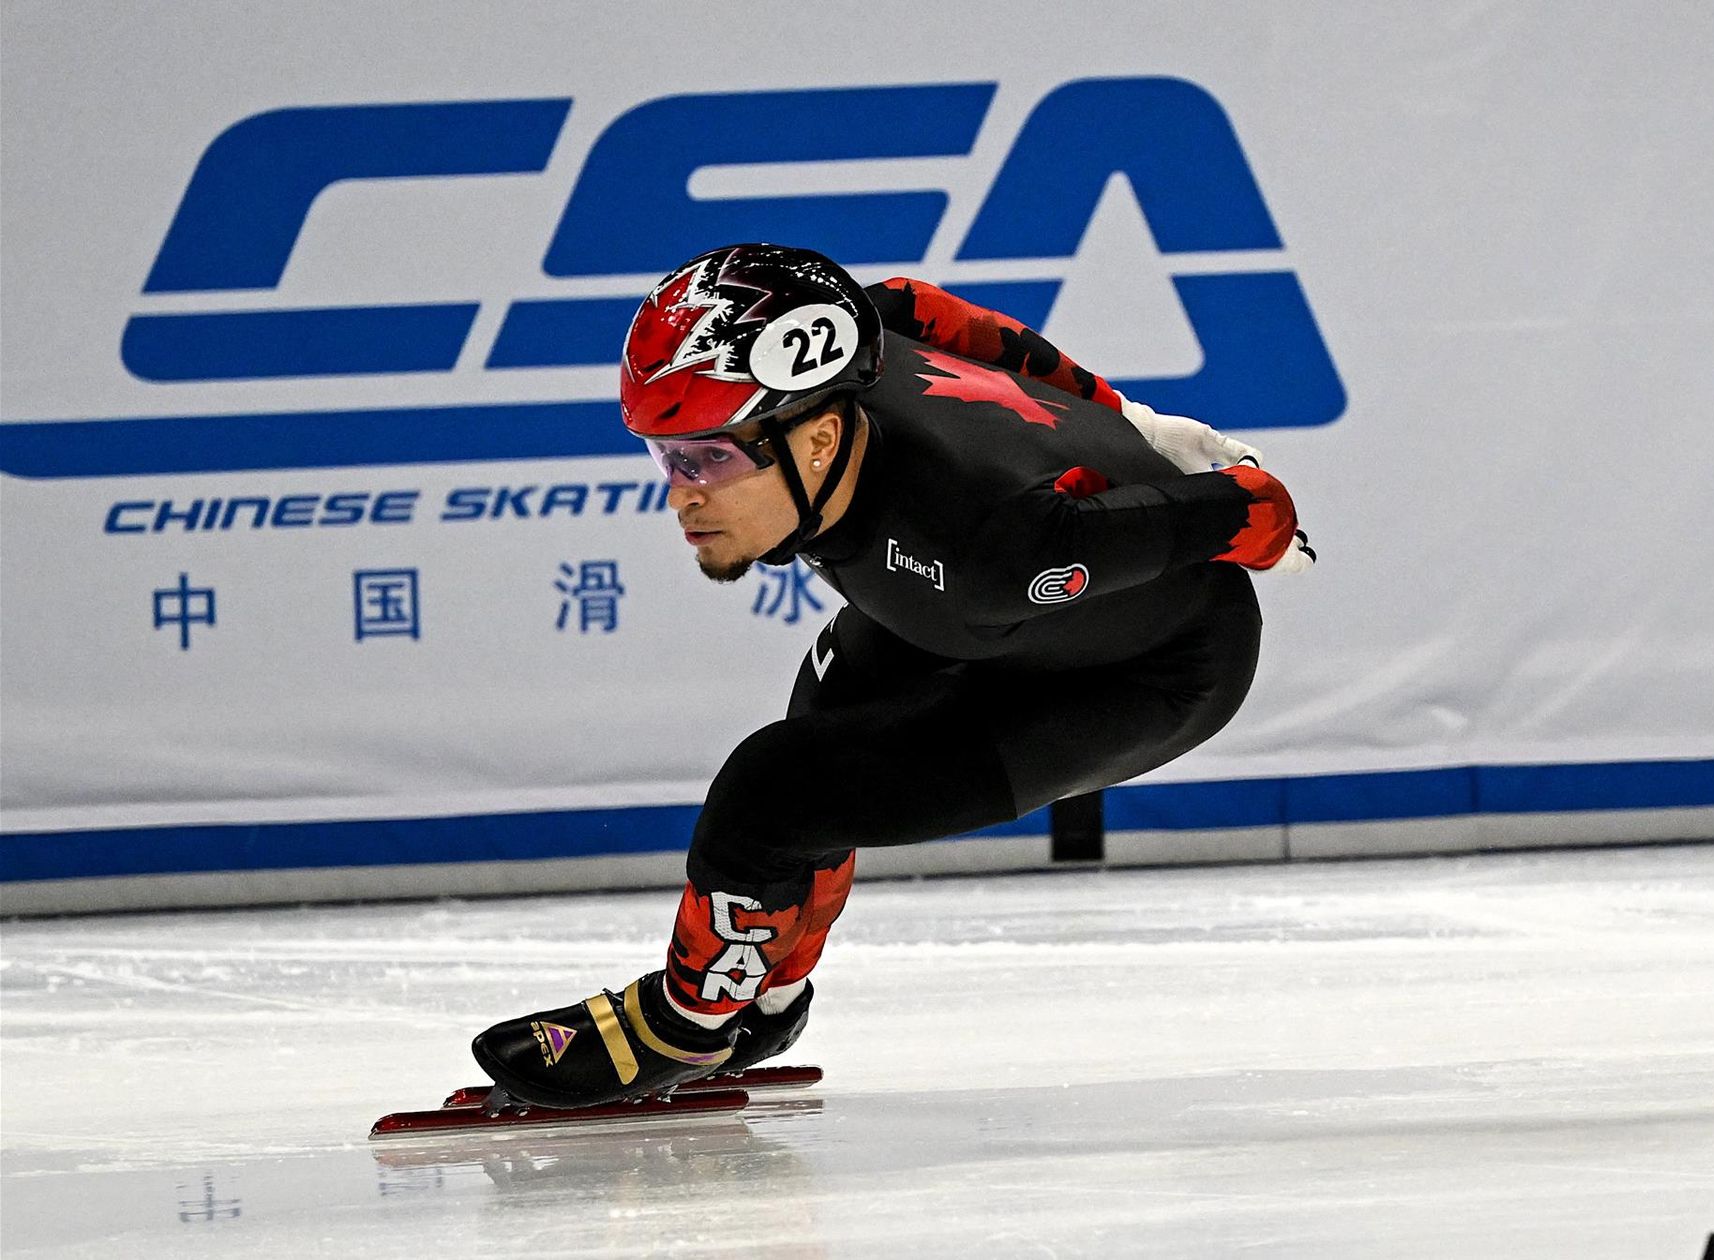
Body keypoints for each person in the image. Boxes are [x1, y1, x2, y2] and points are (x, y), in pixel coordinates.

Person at [472, 244, 1313, 1108]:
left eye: (708, 460)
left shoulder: (989, 549)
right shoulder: (852, 343)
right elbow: (920, 305)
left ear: (822, 434)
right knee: (824, 714)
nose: (682, 496)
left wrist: (1234, 501)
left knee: (773, 792)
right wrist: (1119, 411)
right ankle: (767, 997)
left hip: (1150, 672)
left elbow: (1256, 509)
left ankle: (686, 1023)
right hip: (964, 605)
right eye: (666, 459)